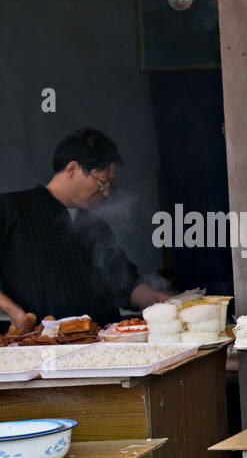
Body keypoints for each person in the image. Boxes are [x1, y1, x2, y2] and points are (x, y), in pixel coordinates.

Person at [0, 128, 172, 331]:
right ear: (73, 169)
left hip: (105, 340)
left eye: (110, 185)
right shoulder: (13, 208)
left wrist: (163, 300)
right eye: (102, 182)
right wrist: (13, 310)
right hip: (47, 347)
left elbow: (125, 284)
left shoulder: (96, 225)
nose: (106, 192)